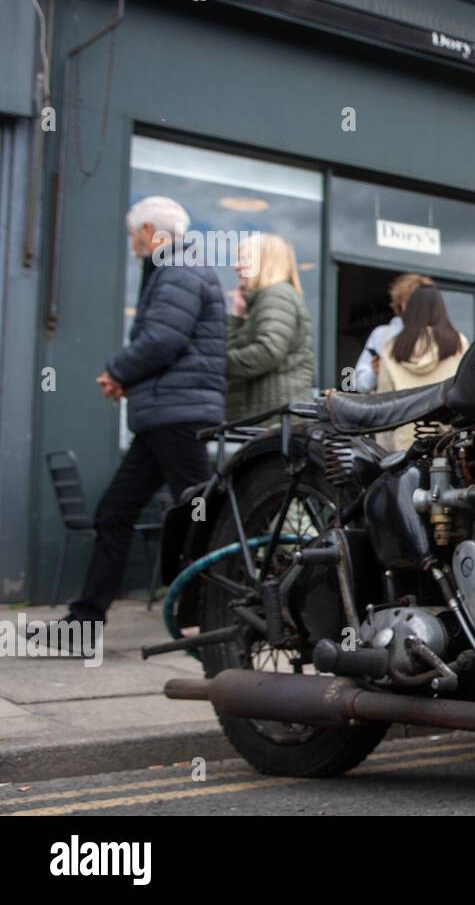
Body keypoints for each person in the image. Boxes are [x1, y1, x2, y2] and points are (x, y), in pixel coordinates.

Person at [61, 196, 226, 632]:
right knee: (116, 513)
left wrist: (116, 372)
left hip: (178, 416)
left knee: (203, 515)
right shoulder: (172, 272)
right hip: (162, 417)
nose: (133, 245)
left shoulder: (180, 272)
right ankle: (85, 621)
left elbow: (162, 340)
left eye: (135, 236)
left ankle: (224, 608)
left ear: (152, 232)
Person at [225, 233, 315, 424]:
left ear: (265, 260)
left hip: (273, 420)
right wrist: (236, 316)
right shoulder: (263, 300)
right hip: (269, 417)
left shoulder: (276, 295)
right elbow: (234, 348)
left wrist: (216, 363)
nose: (236, 266)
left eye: (244, 259)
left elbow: (268, 352)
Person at [375, 283, 469, 451]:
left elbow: (384, 406)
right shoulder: (459, 343)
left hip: (404, 447)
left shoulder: (391, 348)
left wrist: (385, 453)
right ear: (441, 309)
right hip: (446, 443)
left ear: (410, 310)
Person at [349, 272, 433, 393]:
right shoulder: (381, 335)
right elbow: (357, 384)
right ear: (400, 303)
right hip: (391, 407)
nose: (415, 306)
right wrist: (374, 373)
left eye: (420, 301)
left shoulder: (443, 337)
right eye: (410, 300)